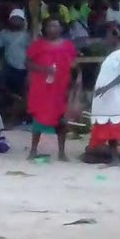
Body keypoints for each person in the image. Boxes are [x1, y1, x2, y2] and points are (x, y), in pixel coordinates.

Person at [25, 17, 78, 160]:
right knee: (38, 118)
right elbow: (28, 63)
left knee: (61, 119)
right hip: (41, 88)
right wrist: (43, 69)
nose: (53, 29)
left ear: (61, 28)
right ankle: (33, 150)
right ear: (45, 29)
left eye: (56, 26)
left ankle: (62, 152)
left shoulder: (68, 45)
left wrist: (73, 84)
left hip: (60, 88)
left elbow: (73, 66)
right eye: (50, 26)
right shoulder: (38, 45)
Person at [89, 23, 120, 167]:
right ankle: (114, 159)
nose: (106, 39)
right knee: (109, 132)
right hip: (107, 100)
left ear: (115, 35)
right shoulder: (113, 54)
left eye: (107, 36)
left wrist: (106, 87)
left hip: (118, 99)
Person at [0, 8, 30, 100]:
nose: (16, 21)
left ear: (23, 20)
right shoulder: (4, 33)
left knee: (24, 91)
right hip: (9, 66)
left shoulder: (29, 34)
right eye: (14, 19)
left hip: (25, 68)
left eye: (18, 19)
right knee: (7, 89)